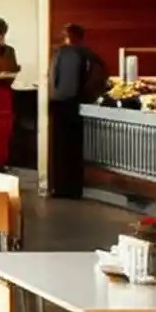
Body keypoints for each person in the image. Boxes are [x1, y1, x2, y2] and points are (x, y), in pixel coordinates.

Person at [49, 23, 106, 199]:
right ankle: (73, 187)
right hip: (78, 106)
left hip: (62, 105)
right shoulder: (88, 55)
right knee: (74, 149)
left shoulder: (64, 54)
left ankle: (61, 187)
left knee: (60, 148)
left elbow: (60, 86)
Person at [0, 18, 21, 171]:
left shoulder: (9, 51)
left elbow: (13, 69)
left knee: (4, 129)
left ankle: (1, 162)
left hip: (4, 91)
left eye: (2, 34)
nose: (0, 38)